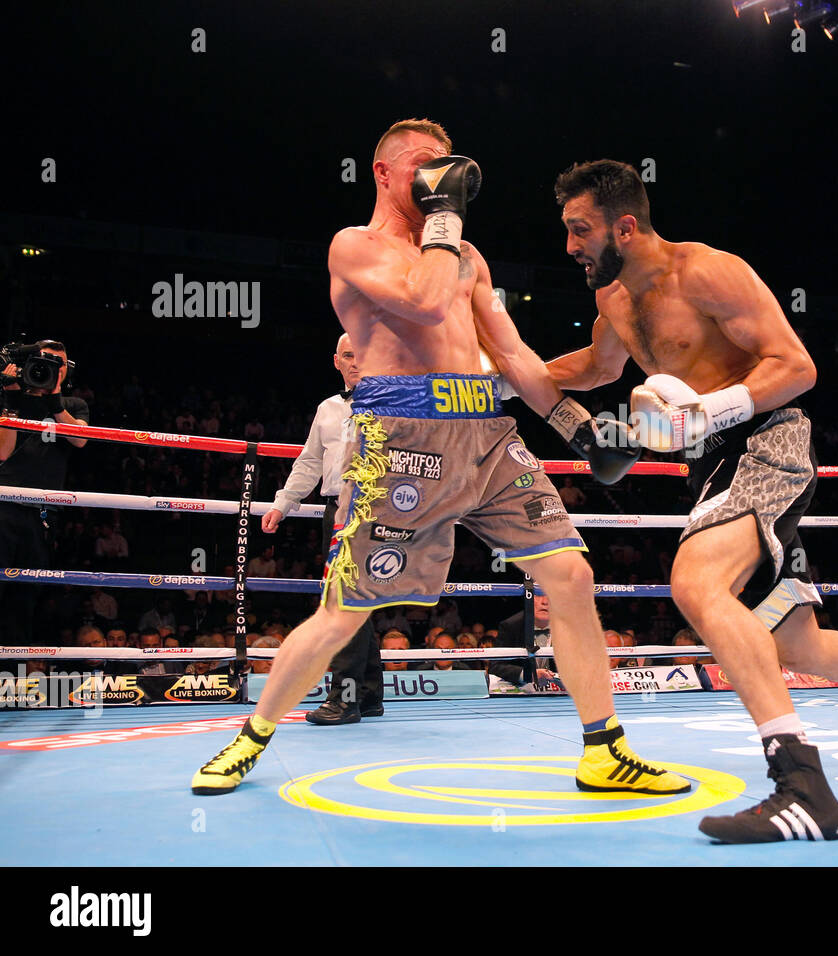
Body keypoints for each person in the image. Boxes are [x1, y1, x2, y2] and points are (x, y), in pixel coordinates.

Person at [192, 119, 687, 798]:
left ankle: (604, 750)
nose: (438, 179)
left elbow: (512, 355)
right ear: (385, 174)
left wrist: (578, 428)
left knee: (570, 576)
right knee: (345, 609)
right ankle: (252, 737)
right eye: (425, 166)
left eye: (445, 167)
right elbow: (424, 302)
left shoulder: (470, 257)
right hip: (400, 440)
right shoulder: (354, 247)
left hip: (485, 431)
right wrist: (445, 216)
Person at [549, 159, 838, 843]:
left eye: (580, 229)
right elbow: (597, 368)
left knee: (697, 582)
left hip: (766, 444)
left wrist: (707, 411)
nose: (570, 246)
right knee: (793, 640)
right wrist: (501, 373)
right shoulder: (614, 300)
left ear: (625, 226)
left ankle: (803, 787)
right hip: (714, 465)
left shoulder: (707, 272)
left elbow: (797, 366)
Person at [263, 332, 385, 726]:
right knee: (355, 600)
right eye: (349, 355)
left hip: (373, 506)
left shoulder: (395, 402)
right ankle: (367, 695)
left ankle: (344, 699)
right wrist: (283, 504)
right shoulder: (328, 408)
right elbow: (310, 462)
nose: (356, 362)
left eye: (363, 355)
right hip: (334, 507)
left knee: (344, 603)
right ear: (337, 361)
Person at [0, 340, 89, 643]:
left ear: (67, 370)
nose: (52, 366)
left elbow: (80, 440)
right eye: (46, 360)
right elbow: (3, 452)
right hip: (4, 505)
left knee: (25, 596)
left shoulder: (74, 405)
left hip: (42, 512)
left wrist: (55, 403)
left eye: (59, 363)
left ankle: (11, 677)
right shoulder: (8, 397)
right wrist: (10, 403)